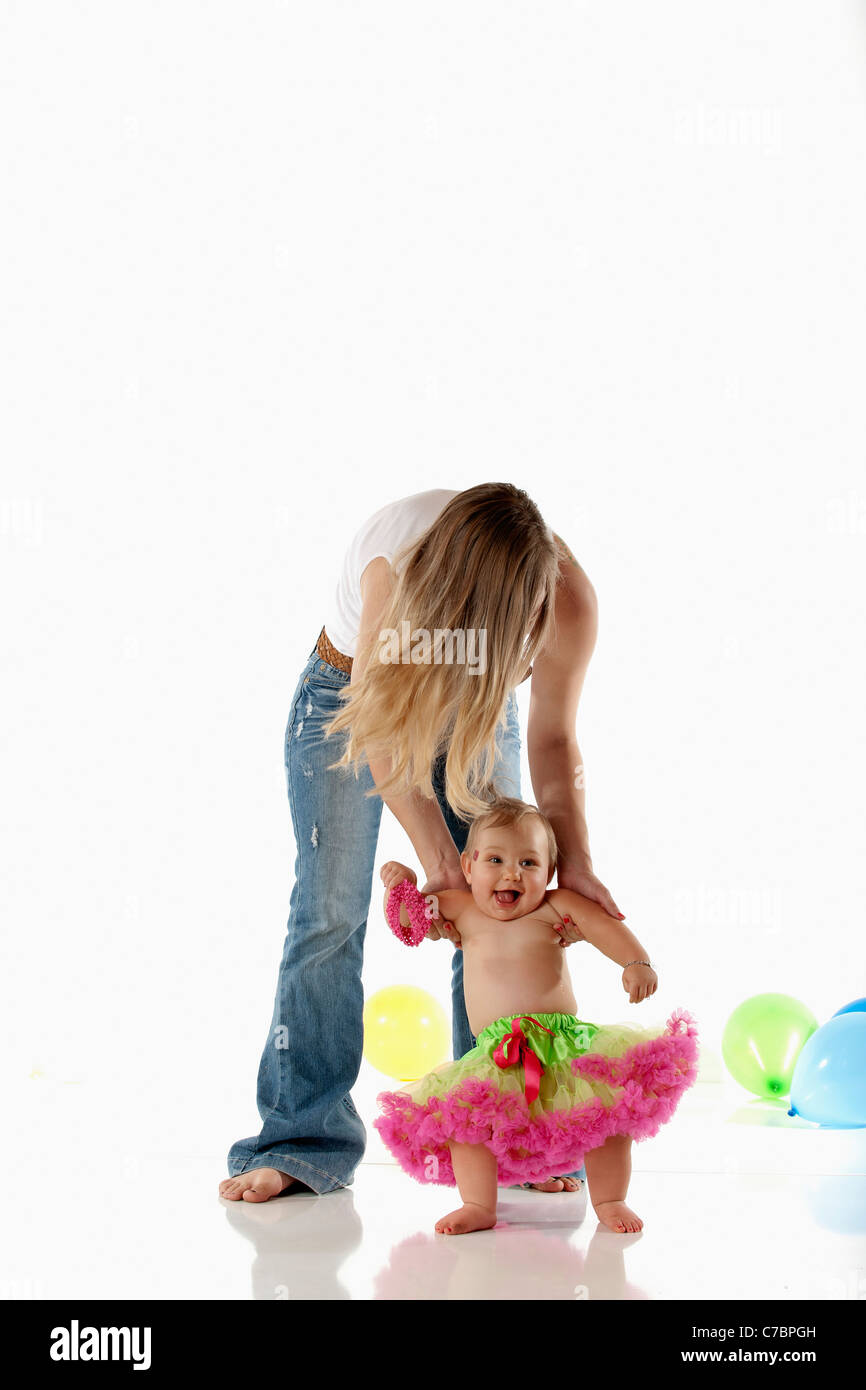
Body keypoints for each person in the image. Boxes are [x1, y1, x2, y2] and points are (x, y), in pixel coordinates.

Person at [221, 483, 624, 1203]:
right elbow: (384, 740)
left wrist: (580, 861)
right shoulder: (396, 574)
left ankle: (510, 1132)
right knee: (331, 912)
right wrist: (442, 867)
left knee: (499, 907)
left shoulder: (568, 598)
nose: (529, 656)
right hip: (353, 696)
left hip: (474, 702)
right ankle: (301, 1139)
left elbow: (554, 735)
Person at [375, 798, 699, 1234]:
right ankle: (478, 1204)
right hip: (498, 1052)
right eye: (495, 860)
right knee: (467, 1124)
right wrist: (401, 889)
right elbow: (411, 926)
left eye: (529, 863)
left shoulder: (553, 906)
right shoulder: (460, 907)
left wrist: (635, 961)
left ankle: (610, 1199)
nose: (512, 873)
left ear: (547, 874)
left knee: (607, 1115)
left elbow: (602, 924)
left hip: (566, 1044)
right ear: (469, 867)